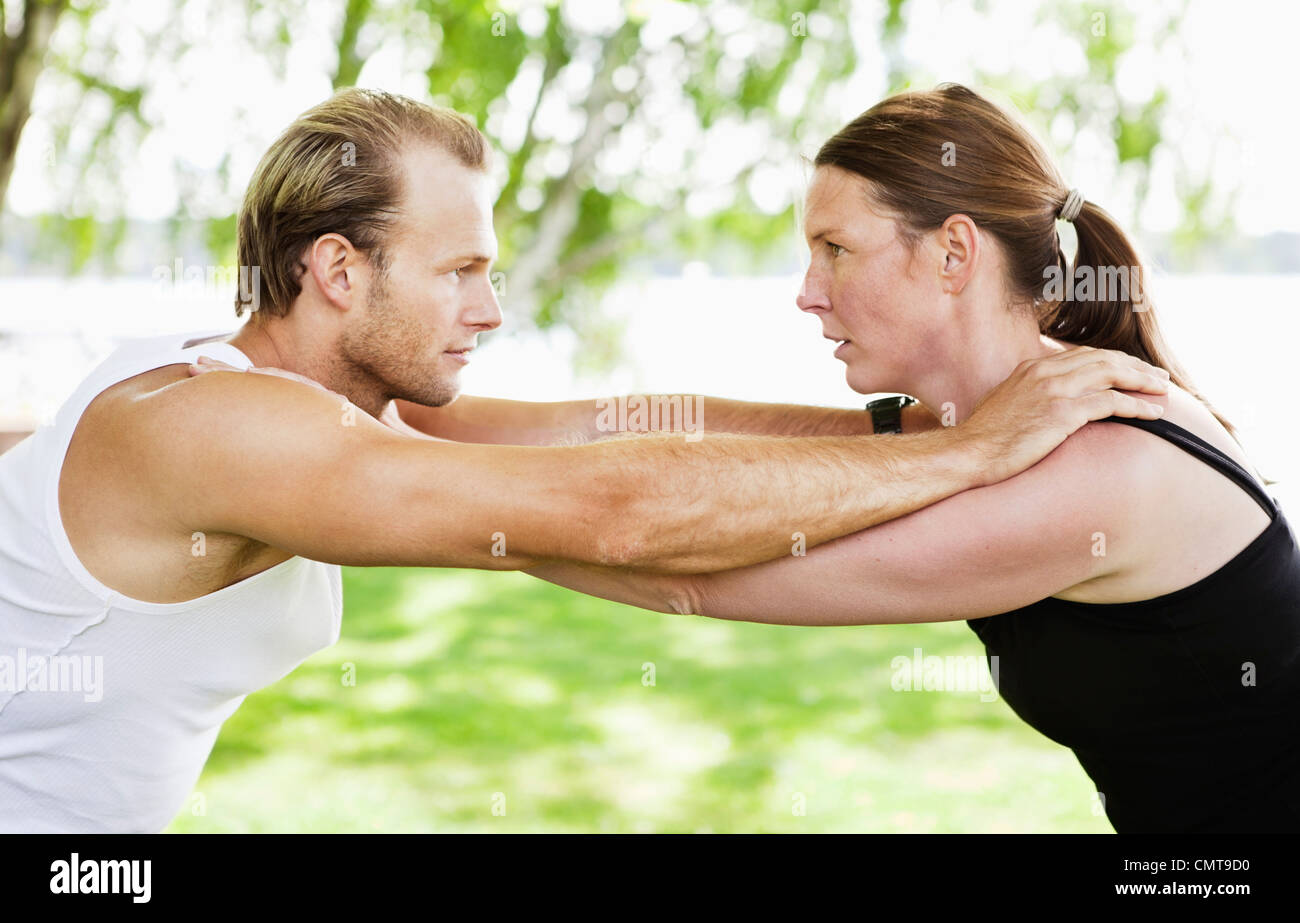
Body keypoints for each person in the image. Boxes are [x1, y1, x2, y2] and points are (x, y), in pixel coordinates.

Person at [0, 87, 1167, 833]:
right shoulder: (232, 430)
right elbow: (612, 509)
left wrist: (899, 432)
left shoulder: (293, 401)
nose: (491, 309)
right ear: (338, 272)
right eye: (459, 271)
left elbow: (613, 427)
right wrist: (969, 453)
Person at [524, 84, 1300, 834]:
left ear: (954, 253)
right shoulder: (994, 424)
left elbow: (688, 570)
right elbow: (685, 429)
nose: (806, 292)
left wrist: (436, 509)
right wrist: (425, 420)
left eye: (836, 249)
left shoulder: (1102, 469)